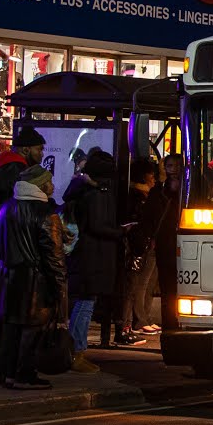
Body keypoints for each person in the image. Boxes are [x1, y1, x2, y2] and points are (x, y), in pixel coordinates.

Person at [0, 164, 67, 390]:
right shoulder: (46, 213)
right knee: (33, 331)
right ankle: (25, 374)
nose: (53, 186)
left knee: (12, 329)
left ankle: (9, 373)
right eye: (50, 182)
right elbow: (54, 256)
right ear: (41, 185)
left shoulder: (4, 209)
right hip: (36, 282)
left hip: (10, 278)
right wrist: (59, 286)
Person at [0, 126, 44, 382]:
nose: (41, 153)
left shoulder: (1, 171)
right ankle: (9, 366)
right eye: (39, 149)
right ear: (26, 149)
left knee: (7, 312)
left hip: (5, 252)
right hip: (16, 256)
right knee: (16, 317)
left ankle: (1, 365)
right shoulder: (16, 174)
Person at [64, 150, 141, 353]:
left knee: (85, 301)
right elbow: (98, 225)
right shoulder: (97, 194)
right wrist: (122, 231)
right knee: (86, 302)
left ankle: (76, 346)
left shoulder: (82, 191)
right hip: (94, 255)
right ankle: (77, 348)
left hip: (86, 253)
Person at [122, 161, 160, 338]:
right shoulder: (138, 195)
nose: (153, 177)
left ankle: (144, 316)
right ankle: (139, 320)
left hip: (149, 242)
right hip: (141, 244)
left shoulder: (150, 194)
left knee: (149, 282)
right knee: (141, 282)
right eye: (150, 173)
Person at [151, 154, 182, 330]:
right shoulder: (160, 190)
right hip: (166, 243)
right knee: (167, 288)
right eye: (169, 165)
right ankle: (169, 324)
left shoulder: (193, 187)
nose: (172, 169)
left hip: (184, 242)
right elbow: (152, 214)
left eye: (176, 165)